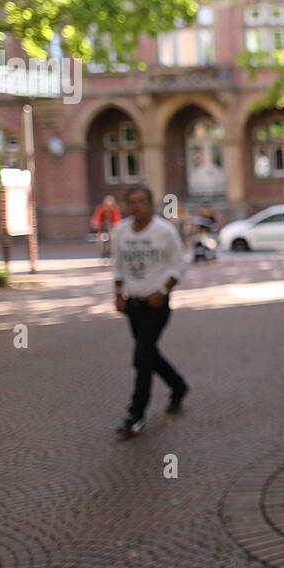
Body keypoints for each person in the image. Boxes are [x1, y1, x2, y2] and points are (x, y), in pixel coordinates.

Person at [111, 185, 189, 438]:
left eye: (141, 201)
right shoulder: (121, 231)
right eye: (131, 201)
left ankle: (135, 415)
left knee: (142, 359)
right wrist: (118, 293)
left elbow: (179, 265)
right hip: (133, 305)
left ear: (151, 204)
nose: (136, 206)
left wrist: (164, 290)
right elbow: (118, 265)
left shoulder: (164, 232)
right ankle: (178, 386)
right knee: (149, 354)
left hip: (156, 305)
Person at [90, 195, 121, 261]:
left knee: (112, 237)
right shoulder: (101, 208)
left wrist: (116, 223)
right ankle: (101, 252)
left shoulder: (115, 209)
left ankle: (111, 251)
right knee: (100, 239)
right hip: (102, 228)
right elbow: (96, 217)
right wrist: (96, 223)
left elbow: (117, 217)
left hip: (111, 228)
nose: (108, 207)